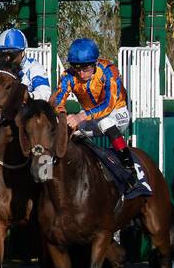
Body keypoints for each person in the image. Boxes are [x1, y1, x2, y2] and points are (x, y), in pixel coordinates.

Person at [52, 37, 140, 189]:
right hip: (91, 117)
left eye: (85, 69)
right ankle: (53, 172)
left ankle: (129, 167)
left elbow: (108, 104)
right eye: (76, 68)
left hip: (118, 113)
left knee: (104, 121)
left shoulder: (108, 70)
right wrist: (63, 116)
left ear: (95, 63)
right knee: (66, 129)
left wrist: (80, 116)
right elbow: (58, 101)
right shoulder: (68, 76)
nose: (81, 74)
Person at [0, 28, 52, 100]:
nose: (7, 58)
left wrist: (27, 96)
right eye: (3, 54)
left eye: (12, 54)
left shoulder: (34, 67)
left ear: (23, 52)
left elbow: (45, 94)